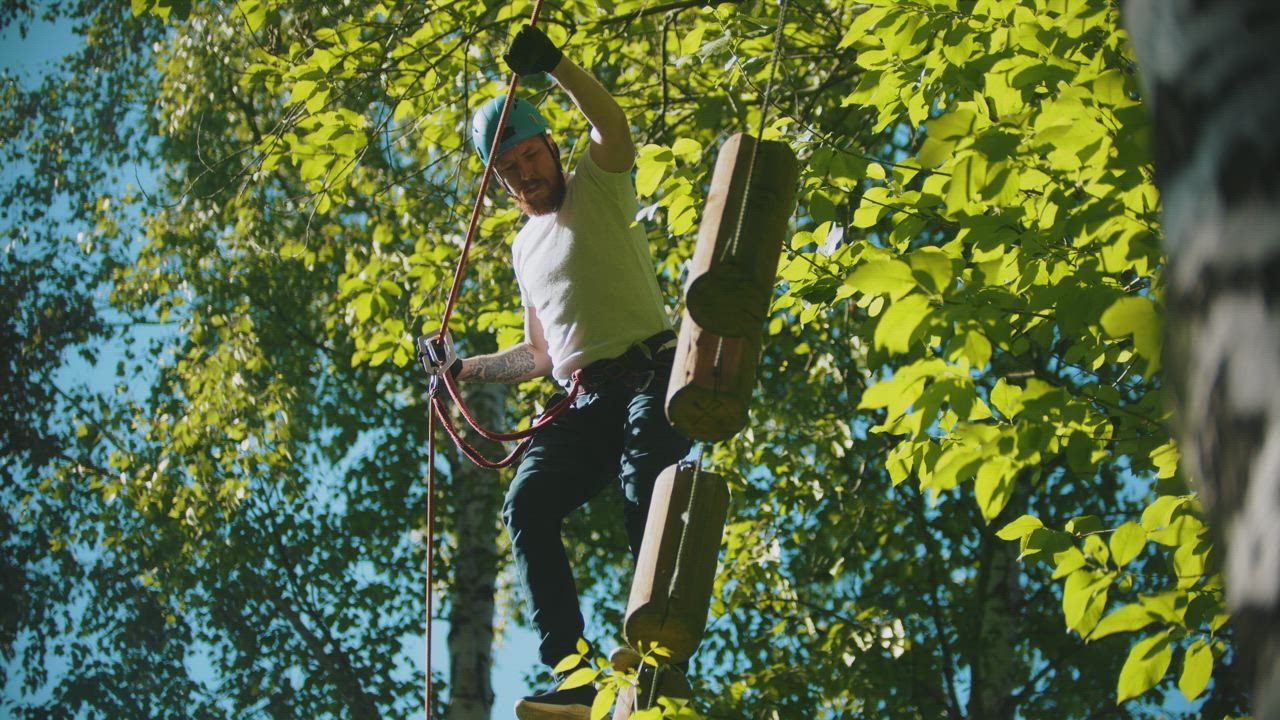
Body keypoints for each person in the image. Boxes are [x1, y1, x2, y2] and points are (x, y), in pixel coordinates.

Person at [422, 24, 691, 720]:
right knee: (527, 502)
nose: (524, 175)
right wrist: (462, 365)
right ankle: (573, 674)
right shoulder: (523, 248)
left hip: (652, 372)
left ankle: (653, 640)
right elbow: (538, 355)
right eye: (509, 171)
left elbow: (612, 122)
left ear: (551, 148)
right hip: (583, 396)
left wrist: (558, 67)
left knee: (644, 476)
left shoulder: (600, 187)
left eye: (530, 157)